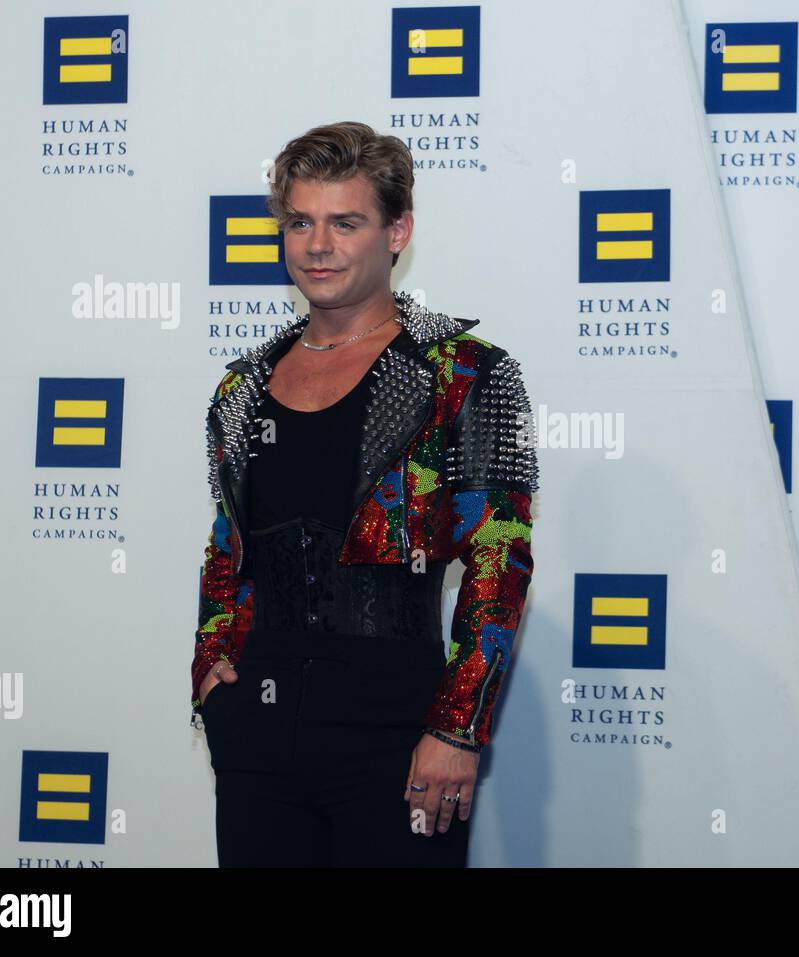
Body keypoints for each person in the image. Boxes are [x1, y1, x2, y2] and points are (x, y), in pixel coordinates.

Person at [190, 121, 539, 866]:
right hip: (257, 727)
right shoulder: (242, 385)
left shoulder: (466, 374)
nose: (318, 245)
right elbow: (229, 544)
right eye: (300, 221)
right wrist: (212, 667)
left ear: (397, 230)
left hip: (399, 732)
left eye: (345, 222)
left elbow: (497, 564)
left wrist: (456, 730)